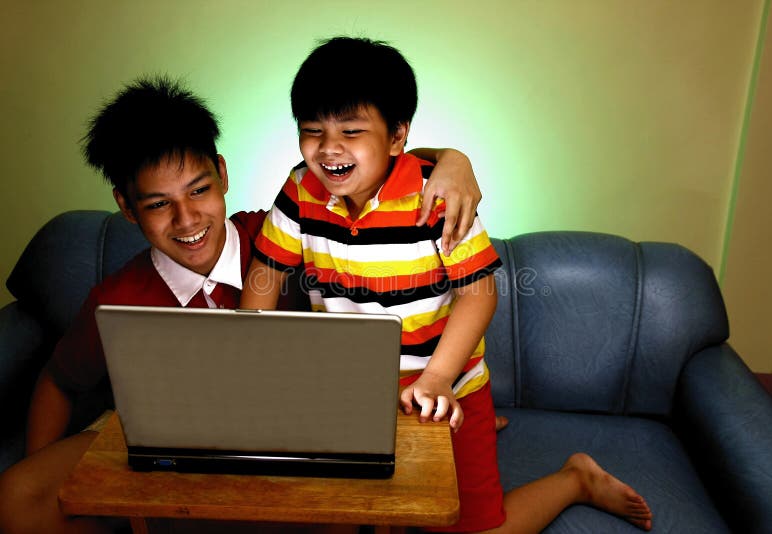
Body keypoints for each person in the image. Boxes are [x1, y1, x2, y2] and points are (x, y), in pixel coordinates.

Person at [0, 76, 485, 534]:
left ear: (222, 174)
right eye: (157, 204)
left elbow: (370, 168)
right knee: (16, 499)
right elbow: (59, 380)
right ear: (127, 207)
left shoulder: (290, 236)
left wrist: (451, 159)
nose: (187, 219)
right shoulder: (118, 297)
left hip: (291, 440)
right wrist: (52, 474)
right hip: (166, 446)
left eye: (199, 190)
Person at [240, 37, 654, 533]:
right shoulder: (300, 190)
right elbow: (265, 274)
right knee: (340, 515)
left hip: (443, 388)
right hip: (346, 395)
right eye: (312, 132)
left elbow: (479, 292)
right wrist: (252, 356)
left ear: (397, 136)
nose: (329, 148)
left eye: (351, 131)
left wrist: (437, 378)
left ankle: (574, 479)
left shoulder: (437, 196)